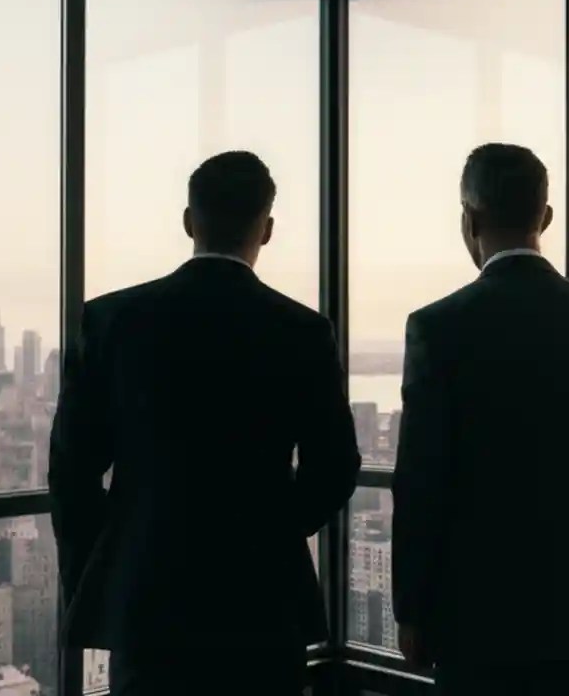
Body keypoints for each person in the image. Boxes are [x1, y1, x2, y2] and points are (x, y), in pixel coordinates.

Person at [49, 151, 360, 695]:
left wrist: (108, 574)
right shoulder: (301, 331)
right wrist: (274, 529)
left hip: (147, 601)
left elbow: (72, 472)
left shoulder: (113, 321)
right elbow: (335, 465)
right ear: (266, 230)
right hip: (261, 603)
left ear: (189, 221)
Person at [391, 143, 569, 696]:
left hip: (475, 623)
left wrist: (413, 610)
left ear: (470, 220)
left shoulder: (439, 328)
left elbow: (421, 483)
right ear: (546, 217)